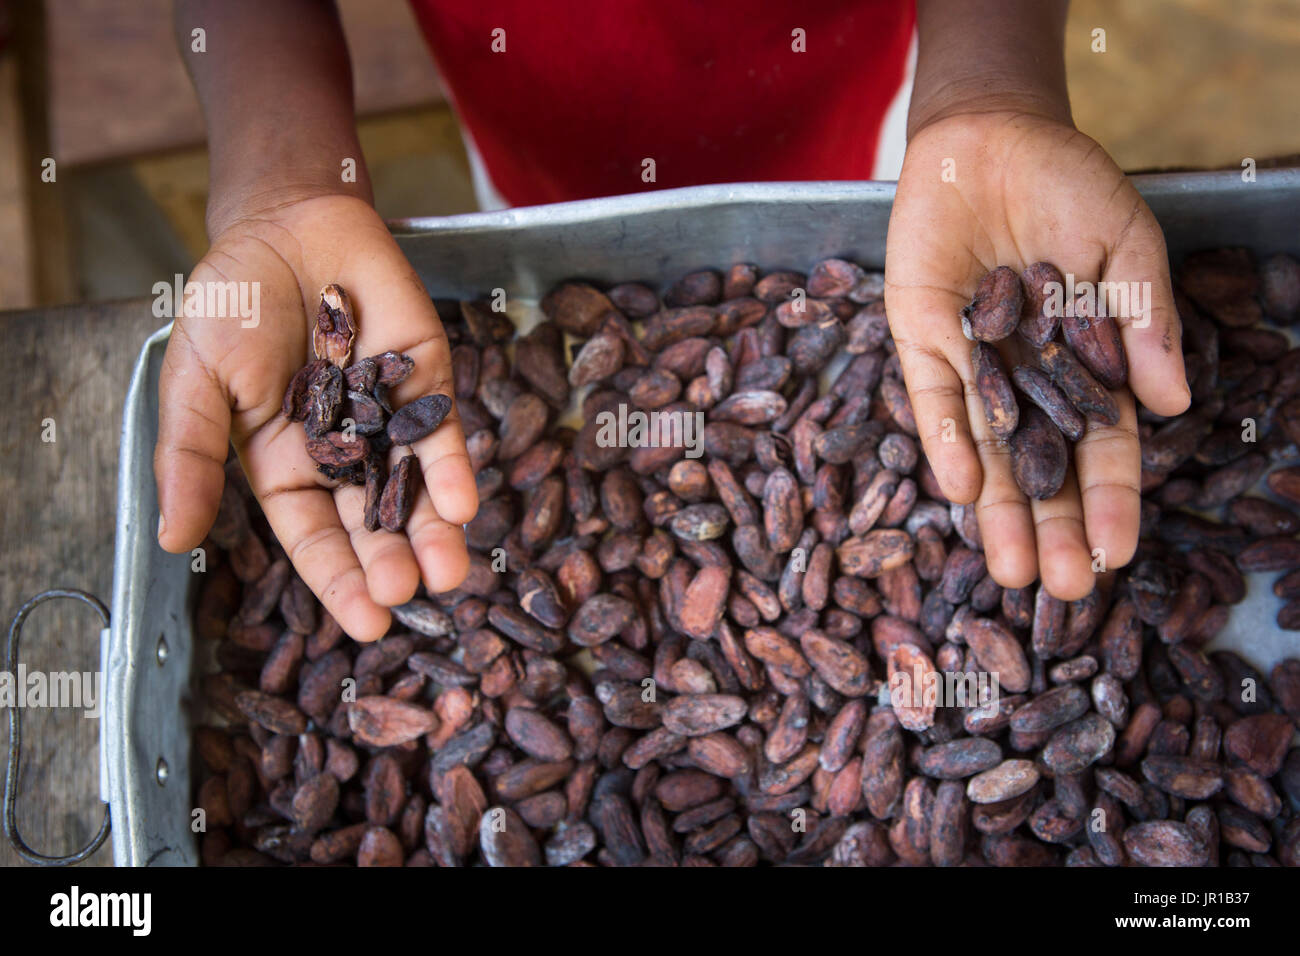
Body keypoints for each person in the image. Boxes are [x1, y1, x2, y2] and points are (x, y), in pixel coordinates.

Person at [155, 0, 1190, 642]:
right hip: (526, 92)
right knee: (537, 201)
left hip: (871, 84)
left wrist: (989, 94)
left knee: (876, 209)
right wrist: (278, 180)